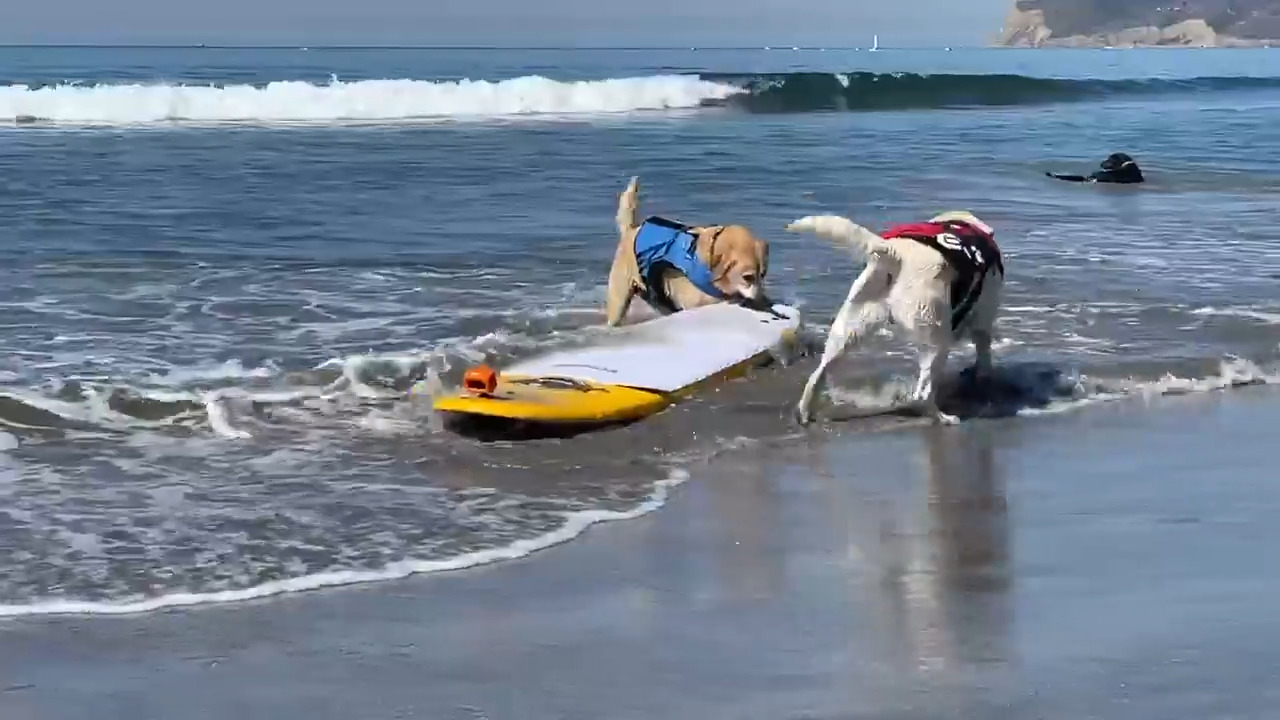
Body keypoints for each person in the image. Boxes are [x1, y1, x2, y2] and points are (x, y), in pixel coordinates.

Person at [1046, 152, 1144, 184]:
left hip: (1100, 180)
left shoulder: (1104, 176)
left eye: (1109, 161)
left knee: (1085, 179)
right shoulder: (1136, 174)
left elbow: (1084, 179)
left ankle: (1056, 176)